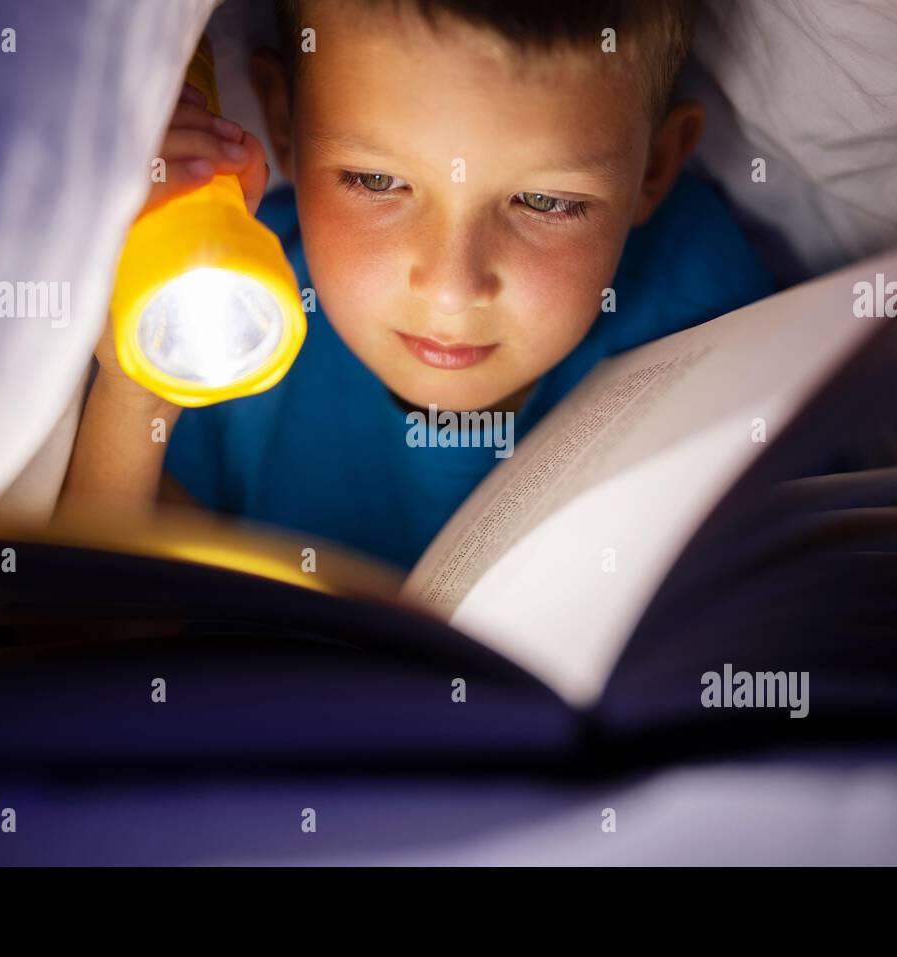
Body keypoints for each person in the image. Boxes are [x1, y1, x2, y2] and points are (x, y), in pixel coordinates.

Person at [59, 0, 773, 569]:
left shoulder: (704, 301)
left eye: (547, 202)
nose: (453, 291)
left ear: (654, 167)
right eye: (377, 181)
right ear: (285, 124)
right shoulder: (221, 315)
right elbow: (87, 658)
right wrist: (134, 395)